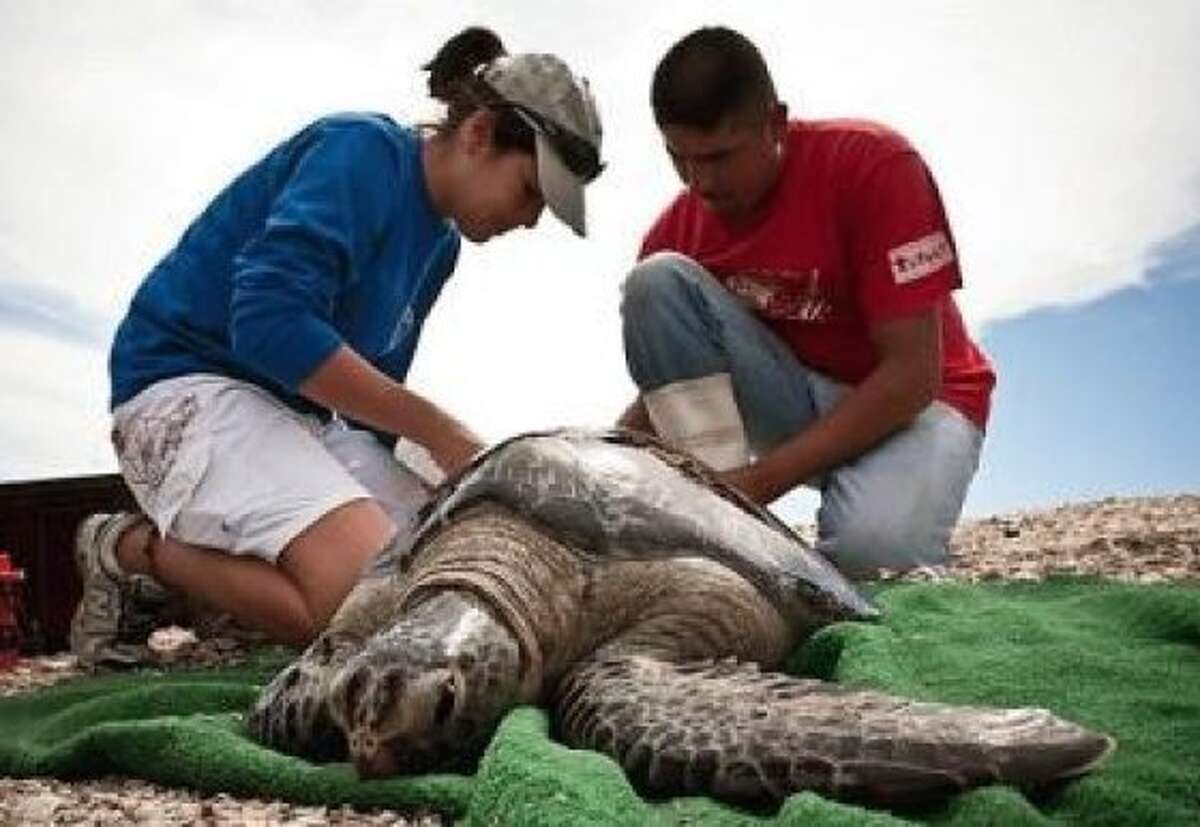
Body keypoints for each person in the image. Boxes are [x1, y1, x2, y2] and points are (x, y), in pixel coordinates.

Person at [71, 27, 604, 667]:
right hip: (183, 387)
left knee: (455, 560)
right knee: (365, 606)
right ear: (480, 133)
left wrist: (450, 476)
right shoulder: (360, 152)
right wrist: (438, 428)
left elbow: (367, 402)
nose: (530, 220)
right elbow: (267, 323)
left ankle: (254, 581)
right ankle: (126, 551)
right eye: (530, 192)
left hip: (297, 418)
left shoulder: (440, 246)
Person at [618, 26, 995, 579]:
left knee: (873, 560)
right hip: (798, 397)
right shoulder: (675, 231)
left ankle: (740, 507)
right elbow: (671, 392)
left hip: (922, 400)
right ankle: (716, 535)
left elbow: (913, 377)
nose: (700, 183)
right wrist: (600, 459)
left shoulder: (875, 164)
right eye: (680, 159)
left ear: (775, 122)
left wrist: (760, 483)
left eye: (719, 157)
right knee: (655, 282)